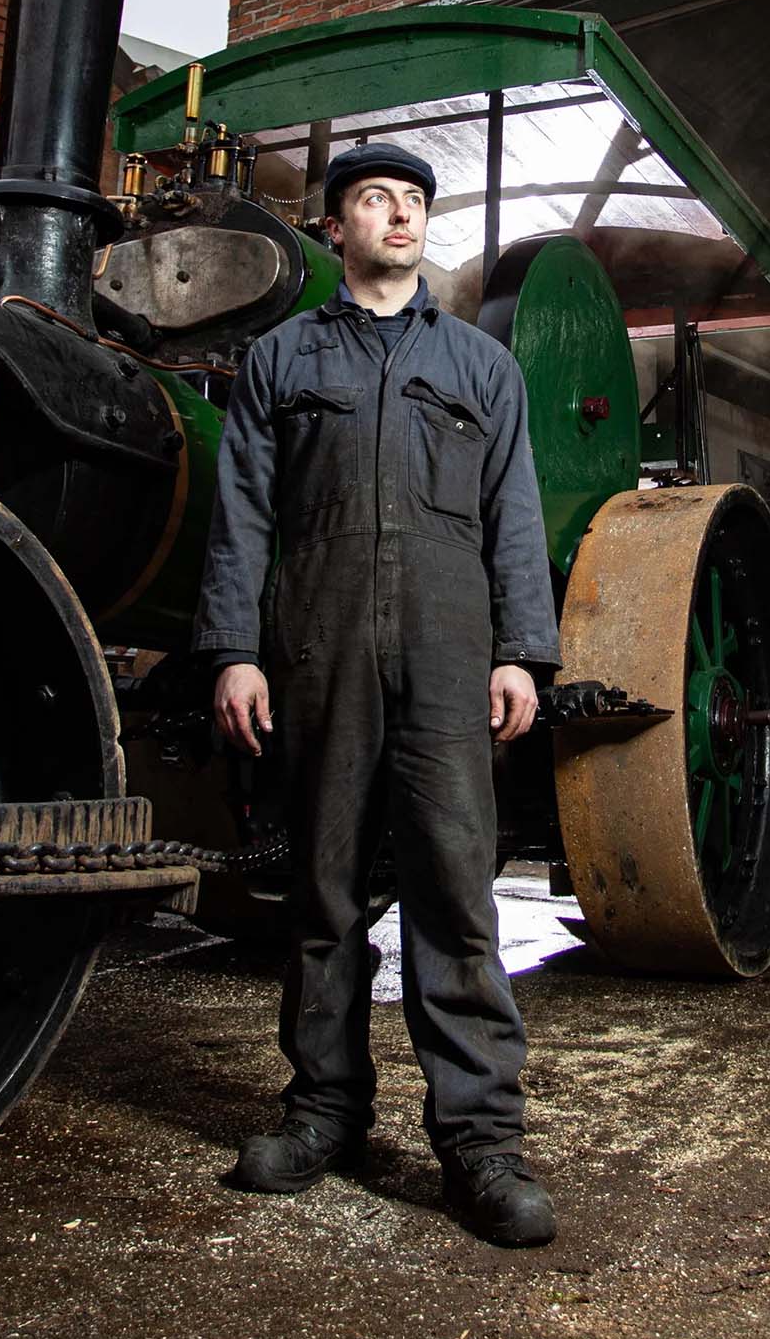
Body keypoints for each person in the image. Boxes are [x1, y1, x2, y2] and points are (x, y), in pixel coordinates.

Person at [188, 139, 560, 1247]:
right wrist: (233, 650)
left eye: (412, 201)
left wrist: (521, 653)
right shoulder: (282, 359)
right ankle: (324, 1115)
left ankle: (482, 1145)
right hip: (317, 639)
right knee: (324, 886)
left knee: (456, 890)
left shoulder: (482, 368)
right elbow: (243, 515)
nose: (398, 216)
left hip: (450, 645)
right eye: (373, 200)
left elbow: (517, 516)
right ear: (336, 227)